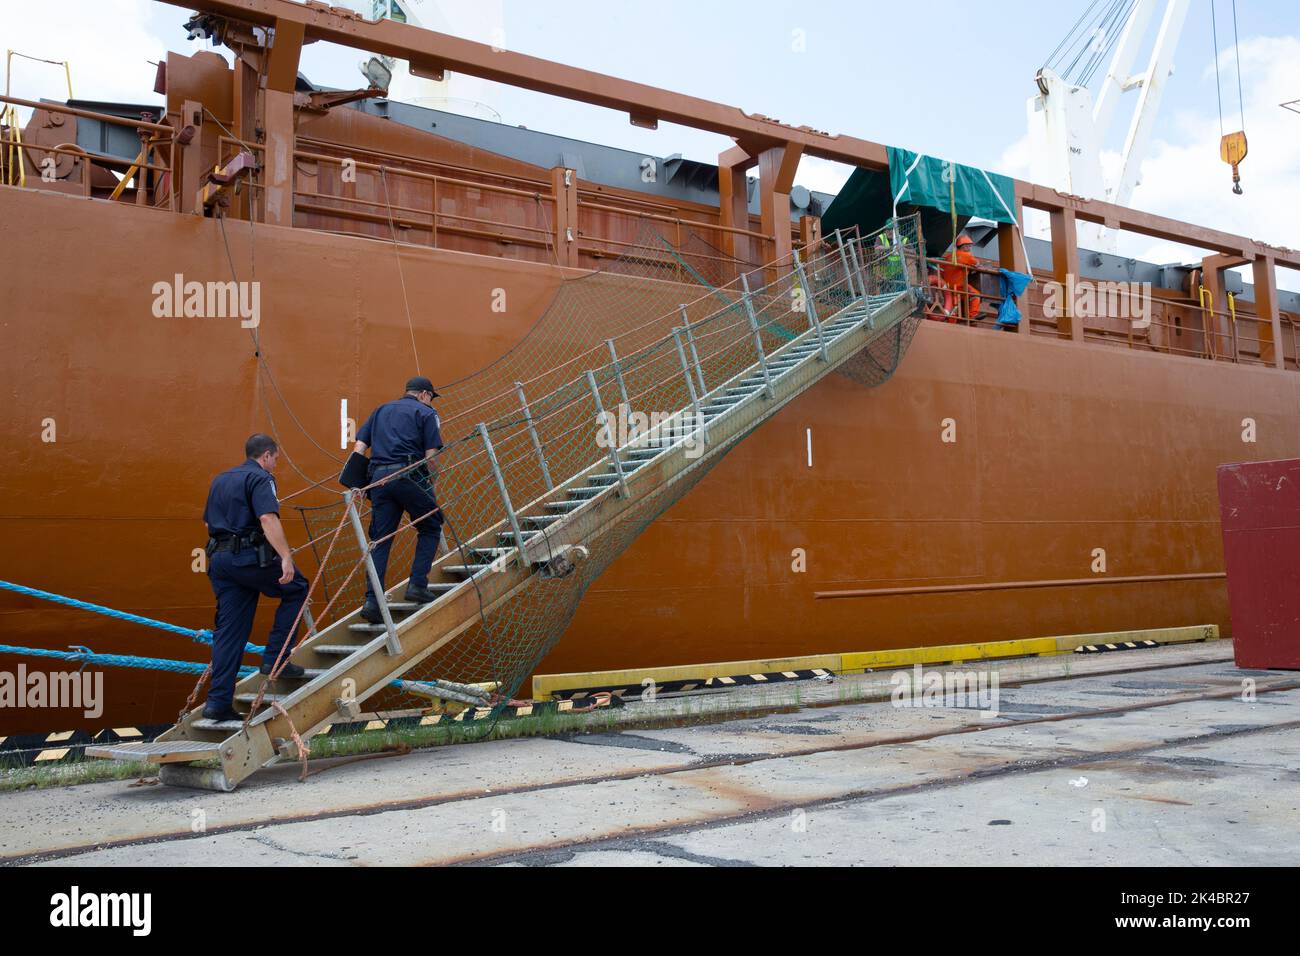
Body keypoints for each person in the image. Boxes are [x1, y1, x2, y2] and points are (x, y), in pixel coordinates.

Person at [201, 434, 309, 723]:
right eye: (275, 459)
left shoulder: (221, 479)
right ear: (266, 456)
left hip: (220, 561)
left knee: (229, 632)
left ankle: (218, 703)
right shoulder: (261, 478)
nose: (275, 465)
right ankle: (276, 659)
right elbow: (267, 519)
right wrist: (285, 556)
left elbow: (209, 522)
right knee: (297, 587)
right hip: (247, 558)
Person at [353, 375, 445, 623]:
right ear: (425, 394)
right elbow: (431, 457)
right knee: (431, 523)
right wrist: (432, 480)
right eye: (430, 397)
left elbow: (360, 446)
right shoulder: (427, 413)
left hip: (378, 480)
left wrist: (358, 483)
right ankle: (417, 585)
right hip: (409, 475)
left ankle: (373, 601)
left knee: (380, 540)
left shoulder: (380, 410)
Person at [938, 233, 983, 320]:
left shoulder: (948, 257)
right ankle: (972, 316)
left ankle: (956, 317)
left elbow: (942, 270)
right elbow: (977, 264)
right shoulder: (966, 255)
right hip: (959, 286)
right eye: (969, 246)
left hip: (947, 287)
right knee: (976, 294)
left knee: (959, 299)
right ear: (964, 246)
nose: (970, 248)